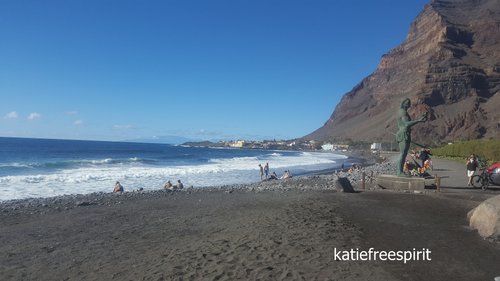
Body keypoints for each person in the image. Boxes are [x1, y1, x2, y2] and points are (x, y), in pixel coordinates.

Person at [396, 98, 428, 176]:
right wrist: (418, 120)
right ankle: (399, 172)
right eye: (407, 103)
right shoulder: (402, 112)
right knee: (402, 153)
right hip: (403, 134)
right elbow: (406, 124)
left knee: (404, 154)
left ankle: (400, 171)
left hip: (405, 134)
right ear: (403, 103)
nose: (409, 105)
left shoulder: (404, 112)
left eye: (409, 103)